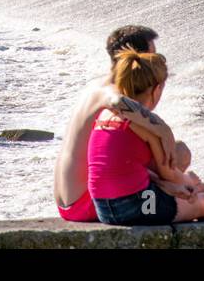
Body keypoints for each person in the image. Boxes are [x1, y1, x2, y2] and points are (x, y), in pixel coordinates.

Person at [88, 50, 204, 224]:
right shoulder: (146, 126)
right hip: (135, 206)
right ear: (157, 89)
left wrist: (175, 186)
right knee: (203, 203)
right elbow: (170, 174)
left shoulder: (105, 116)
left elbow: (123, 170)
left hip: (104, 209)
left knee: (195, 194)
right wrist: (192, 184)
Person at [55, 26, 178, 222]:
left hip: (68, 203)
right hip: (87, 201)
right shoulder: (110, 90)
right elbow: (115, 101)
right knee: (178, 153)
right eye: (152, 56)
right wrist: (163, 129)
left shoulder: (95, 85)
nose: (155, 62)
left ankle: (172, 190)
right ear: (136, 57)